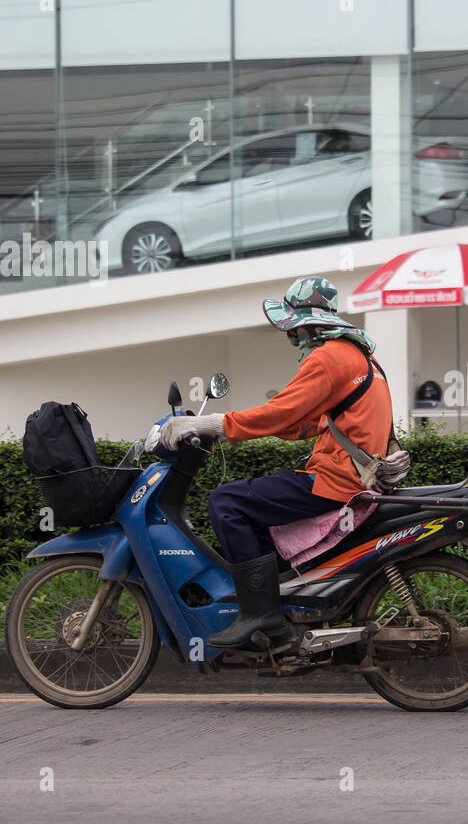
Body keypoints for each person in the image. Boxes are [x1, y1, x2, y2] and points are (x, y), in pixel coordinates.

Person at [159, 276, 393, 650]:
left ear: (308, 326)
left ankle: (260, 613)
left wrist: (210, 424)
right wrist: (255, 423)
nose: (291, 340)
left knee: (226, 502)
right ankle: (277, 605)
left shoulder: (328, 357)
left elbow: (279, 414)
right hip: (350, 478)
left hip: (334, 482)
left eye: (292, 331)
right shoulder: (360, 356)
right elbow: (301, 423)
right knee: (252, 501)